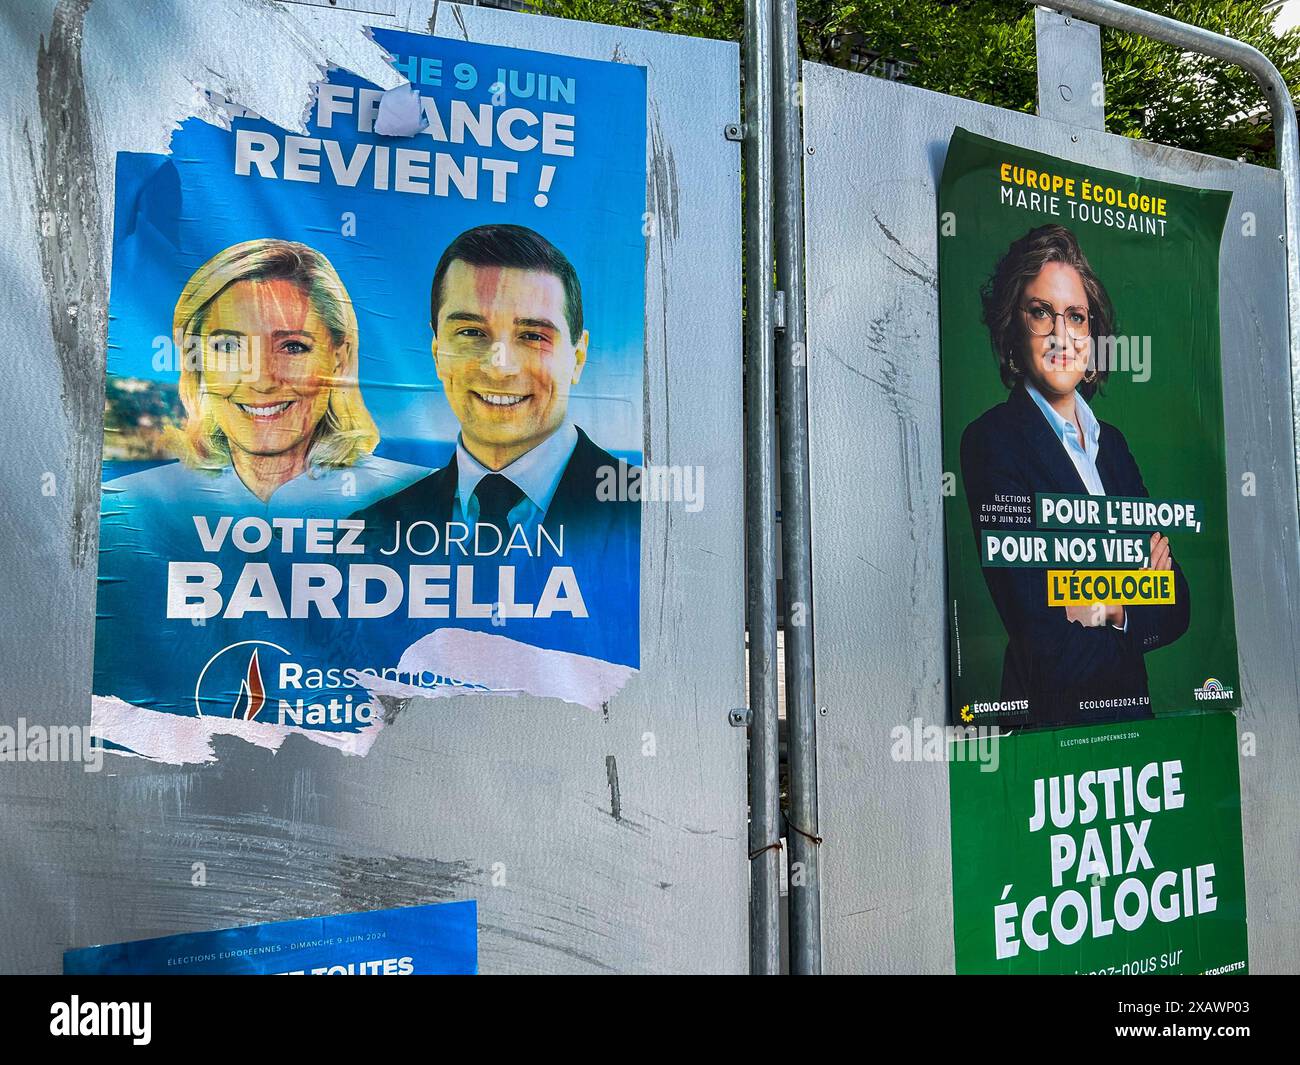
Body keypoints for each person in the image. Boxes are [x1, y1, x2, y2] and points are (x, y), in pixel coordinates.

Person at [94, 239, 427, 718]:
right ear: (195, 360)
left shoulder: (427, 502)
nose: (262, 378)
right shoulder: (123, 509)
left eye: (292, 346)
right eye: (229, 346)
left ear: (338, 355)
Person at [959, 224, 1190, 727]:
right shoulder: (993, 441)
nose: (1062, 335)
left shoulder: (1116, 447)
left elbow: (1177, 607)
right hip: (1049, 734)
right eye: (1042, 312)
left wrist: (1105, 608)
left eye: (1077, 317)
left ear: (1093, 337)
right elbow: (1041, 631)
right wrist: (1132, 593)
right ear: (1011, 329)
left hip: (1132, 729)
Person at [354, 224, 637, 552]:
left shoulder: (650, 517)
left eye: (532, 336)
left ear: (578, 357)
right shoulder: (368, 535)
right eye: (472, 333)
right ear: (437, 351)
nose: (499, 367)